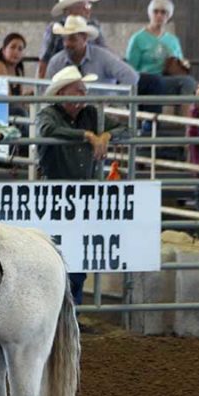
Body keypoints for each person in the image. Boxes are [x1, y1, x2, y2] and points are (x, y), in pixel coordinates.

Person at [36, 66, 126, 305]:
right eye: (78, 90)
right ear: (61, 94)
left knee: (77, 256)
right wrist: (86, 135)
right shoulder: (49, 114)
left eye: (83, 90)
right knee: (55, 254)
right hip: (55, 195)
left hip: (82, 196)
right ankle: (59, 309)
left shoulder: (90, 114)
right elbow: (46, 129)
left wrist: (106, 136)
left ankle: (72, 309)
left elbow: (126, 129)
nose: (83, 95)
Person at [125, 0, 196, 111]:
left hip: (166, 79)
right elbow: (130, 67)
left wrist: (183, 64)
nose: (159, 15)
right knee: (154, 82)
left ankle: (186, 121)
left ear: (168, 16)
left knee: (189, 82)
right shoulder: (138, 38)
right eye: (155, 12)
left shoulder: (173, 40)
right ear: (150, 14)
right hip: (145, 80)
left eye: (163, 12)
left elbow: (180, 62)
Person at [45, 15, 139, 89]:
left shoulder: (103, 57)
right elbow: (47, 90)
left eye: (72, 39)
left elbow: (131, 76)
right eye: (64, 39)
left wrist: (115, 101)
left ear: (84, 38)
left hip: (102, 106)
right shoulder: (56, 62)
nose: (67, 44)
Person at [38, 0, 107, 79]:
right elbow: (44, 62)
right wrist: (41, 85)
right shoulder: (54, 30)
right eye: (85, 6)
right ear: (68, 11)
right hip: (62, 78)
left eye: (89, 6)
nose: (88, 10)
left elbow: (105, 53)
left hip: (93, 77)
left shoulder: (93, 25)